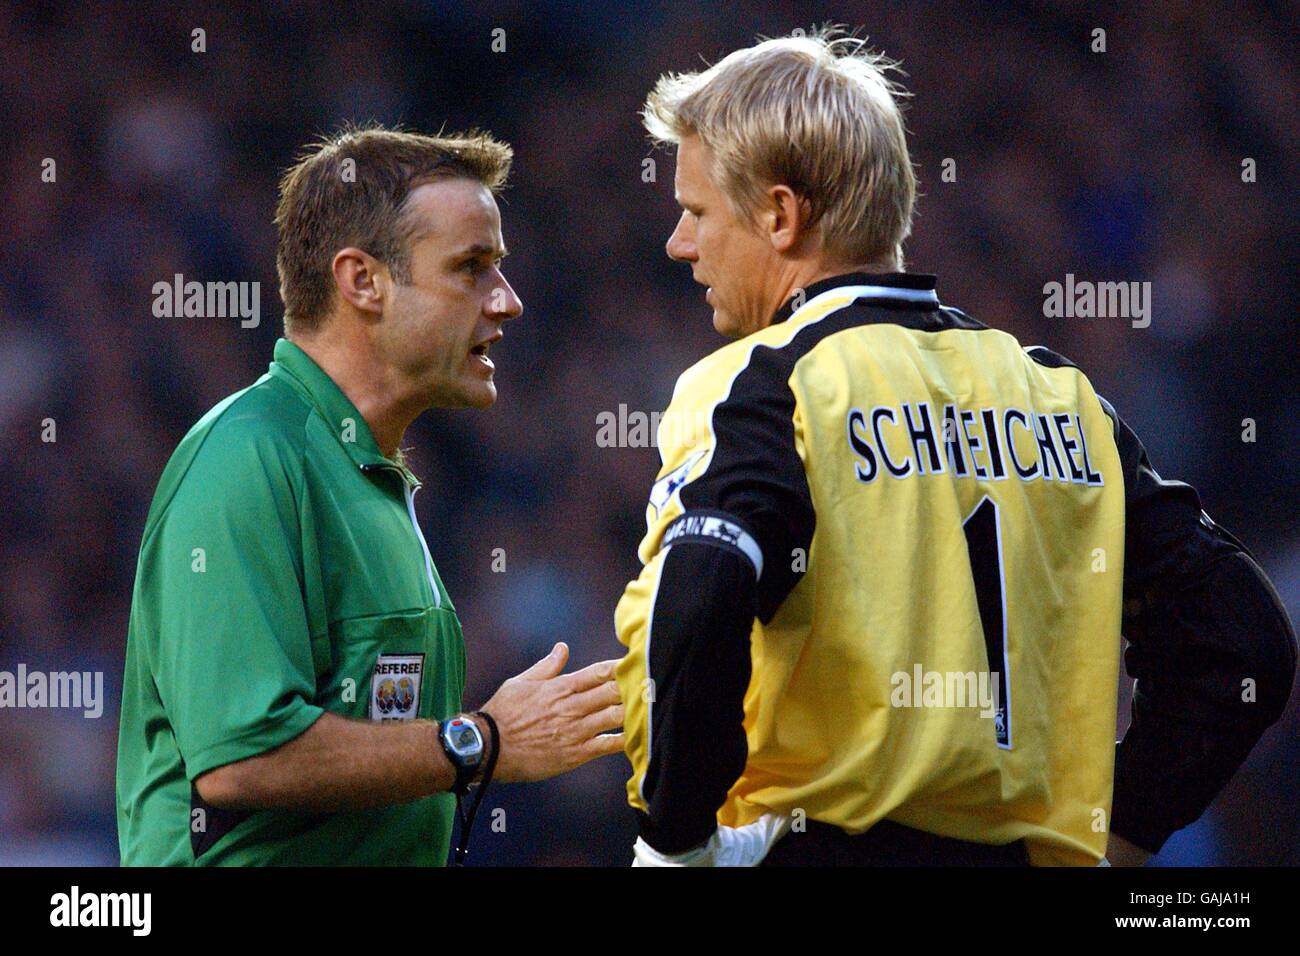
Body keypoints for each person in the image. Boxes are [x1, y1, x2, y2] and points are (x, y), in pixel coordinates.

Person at [613, 31, 1297, 867]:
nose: (680, 244)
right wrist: (1118, 832)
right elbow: (1244, 643)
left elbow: (698, 600)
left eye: (695, 212)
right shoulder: (1061, 398)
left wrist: (676, 844)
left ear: (780, 216)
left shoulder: (760, 388)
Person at [116, 126, 624, 866]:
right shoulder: (248, 458)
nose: (507, 301)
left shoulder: (371, 476)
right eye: (471, 267)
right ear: (362, 281)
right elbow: (242, 758)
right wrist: (481, 740)